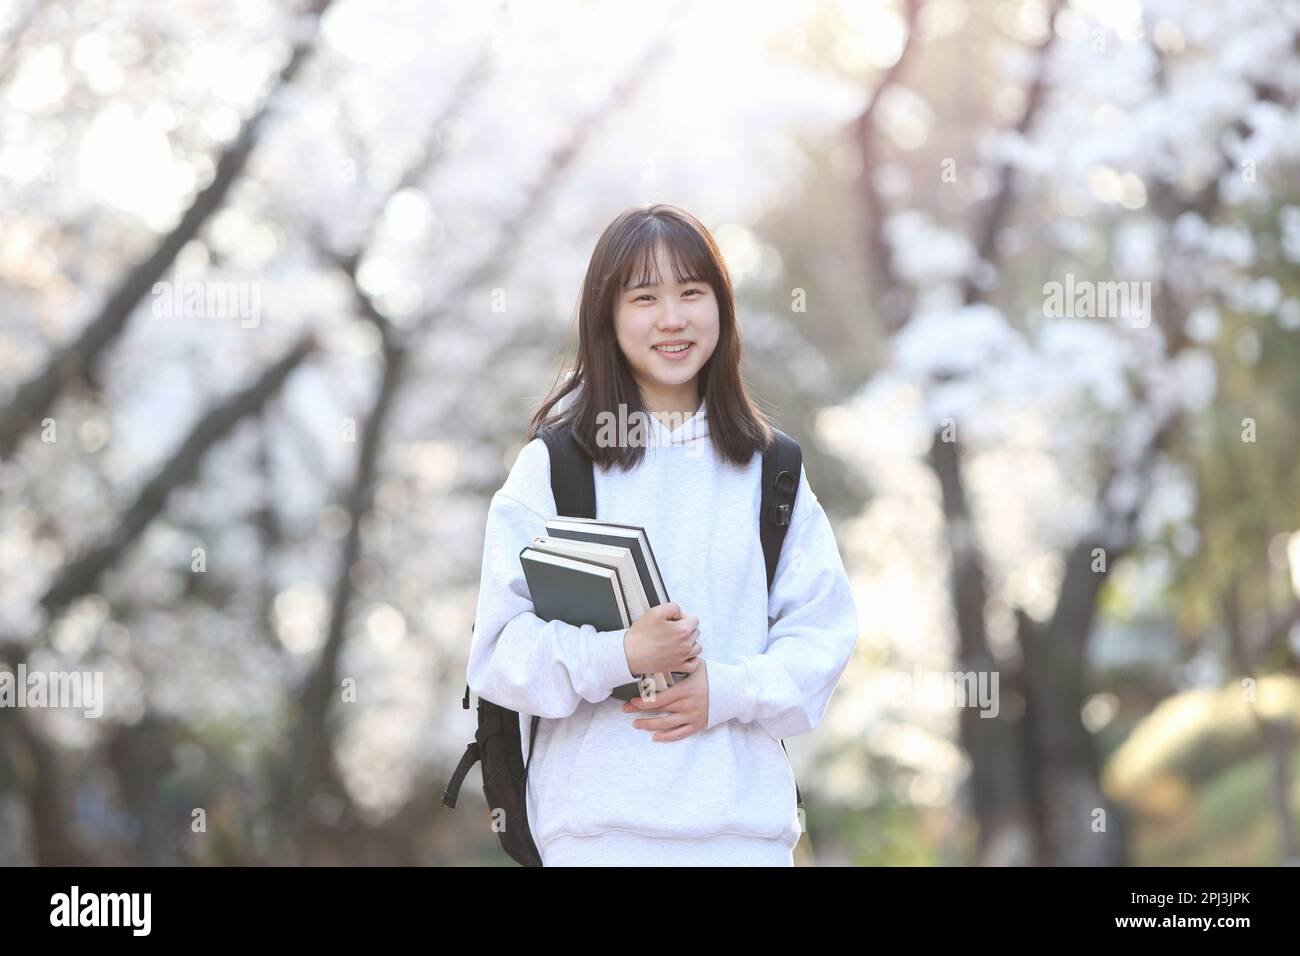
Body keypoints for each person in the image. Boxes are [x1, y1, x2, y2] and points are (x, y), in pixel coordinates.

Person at [466, 203, 859, 866]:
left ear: (721, 308)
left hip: (745, 841)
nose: (672, 319)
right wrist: (621, 653)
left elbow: (823, 637)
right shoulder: (558, 468)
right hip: (598, 842)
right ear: (608, 318)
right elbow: (500, 653)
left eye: (692, 293)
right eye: (645, 297)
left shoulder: (773, 470)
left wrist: (724, 691)